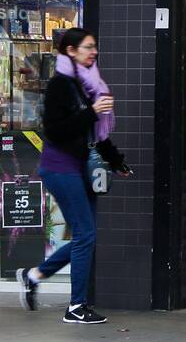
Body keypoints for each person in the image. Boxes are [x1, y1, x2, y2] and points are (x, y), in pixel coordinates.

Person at [16, 28, 129, 324]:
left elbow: (94, 134)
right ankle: (76, 307)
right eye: (87, 47)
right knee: (86, 235)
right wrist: (92, 111)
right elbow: (56, 130)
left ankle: (35, 275)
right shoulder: (60, 85)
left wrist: (116, 161)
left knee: (85, 235)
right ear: (70, 51)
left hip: (80, 168)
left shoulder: (87, 83)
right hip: (60, 168)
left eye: (94, 47)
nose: (93, 52)